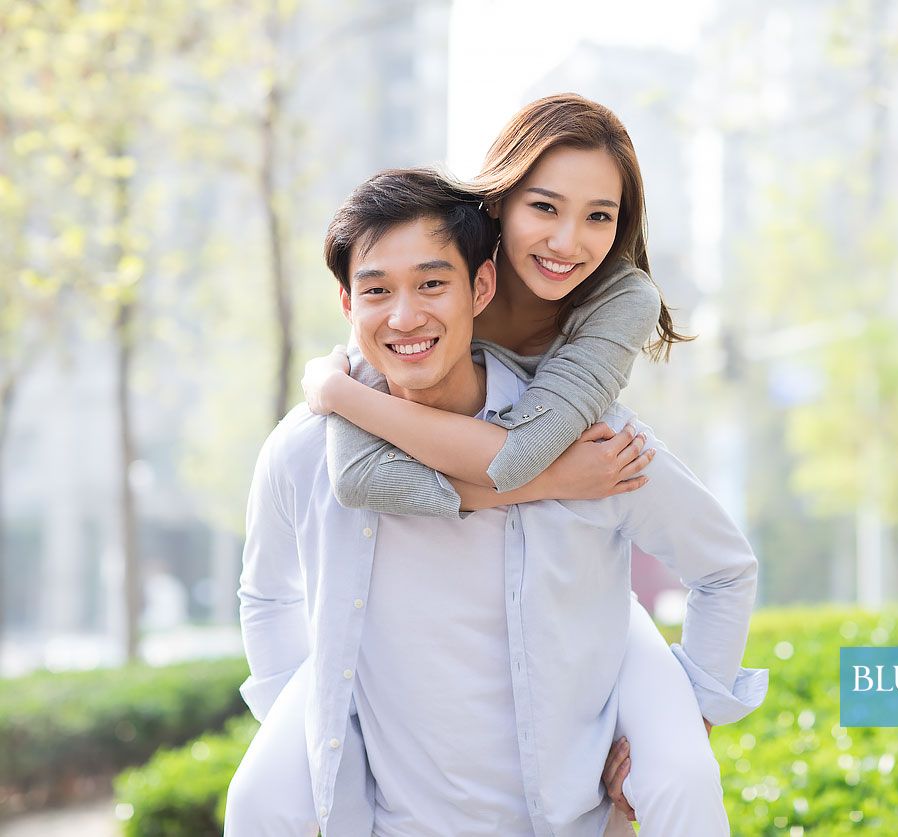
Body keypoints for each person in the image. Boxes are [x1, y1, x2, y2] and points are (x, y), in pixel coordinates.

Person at [227, 167, 765, 836]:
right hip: (393, 824)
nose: (404, 317)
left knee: (685, 779)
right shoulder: (305, 448)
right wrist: (315, 732)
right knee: (253, 800)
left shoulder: (595, 446)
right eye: (377, 290)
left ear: (481, 287)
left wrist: (692, 714)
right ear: (346, 303)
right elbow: (267, 596)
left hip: (565, 818)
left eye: (432, 284)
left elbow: (723, 568)